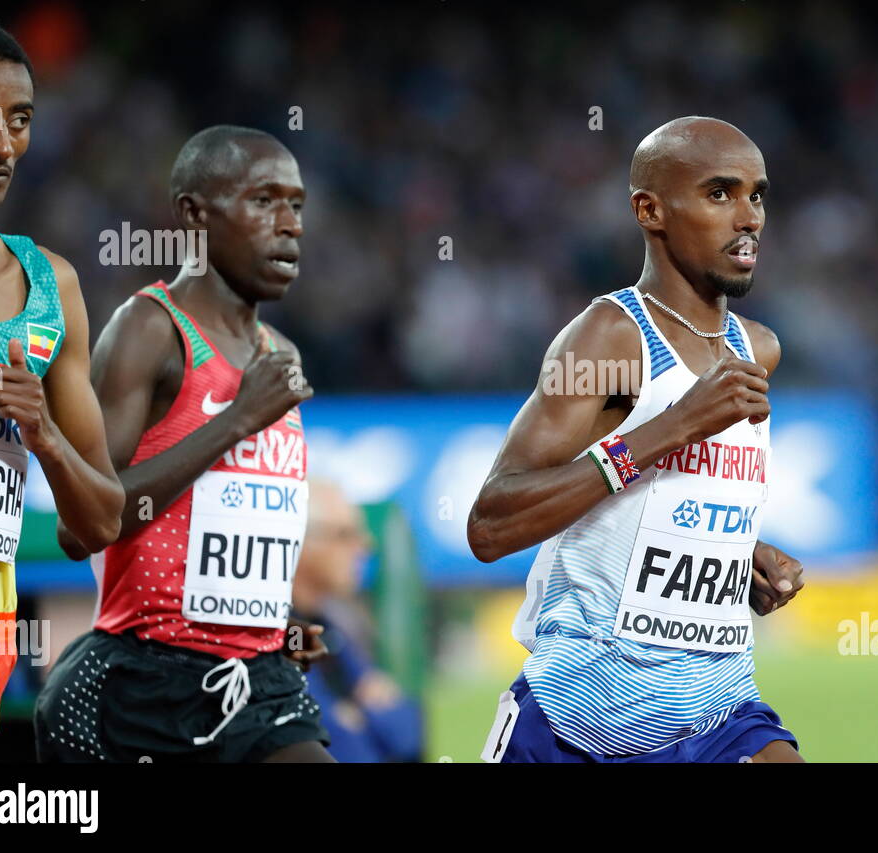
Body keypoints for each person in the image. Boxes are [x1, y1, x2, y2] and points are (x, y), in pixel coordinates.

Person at [468, 116, 806, 763]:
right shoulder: (609, 338)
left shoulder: (757, 349)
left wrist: (741, 554)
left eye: (757, 195)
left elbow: (658, 509)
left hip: (715, 710)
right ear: (650, 210)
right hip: (577, 718)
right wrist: (673, 426)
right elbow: (491, 523)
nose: (749, 217)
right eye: (719, 193)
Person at [34, 125, 331, 762]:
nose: (291, 225)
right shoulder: (151, 330)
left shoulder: (281, 355)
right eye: (264, 201)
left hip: (259, 683)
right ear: (194, 215)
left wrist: (272, 623)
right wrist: (235, 421)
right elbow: (81, 527)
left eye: (297, 205)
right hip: (144, 683)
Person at [0, 14, 124, 762]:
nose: (1, 143)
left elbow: (100, 522)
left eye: (18, 119)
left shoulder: (53, 290)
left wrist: (45, 435)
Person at [291, 478, 424, 762]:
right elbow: (338, 743)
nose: (366, 545)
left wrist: (355, 717)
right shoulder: (283, 630)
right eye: (346, 534)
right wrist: (359, 713)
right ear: (302, 541)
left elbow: (408, 731)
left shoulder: (327, 623)